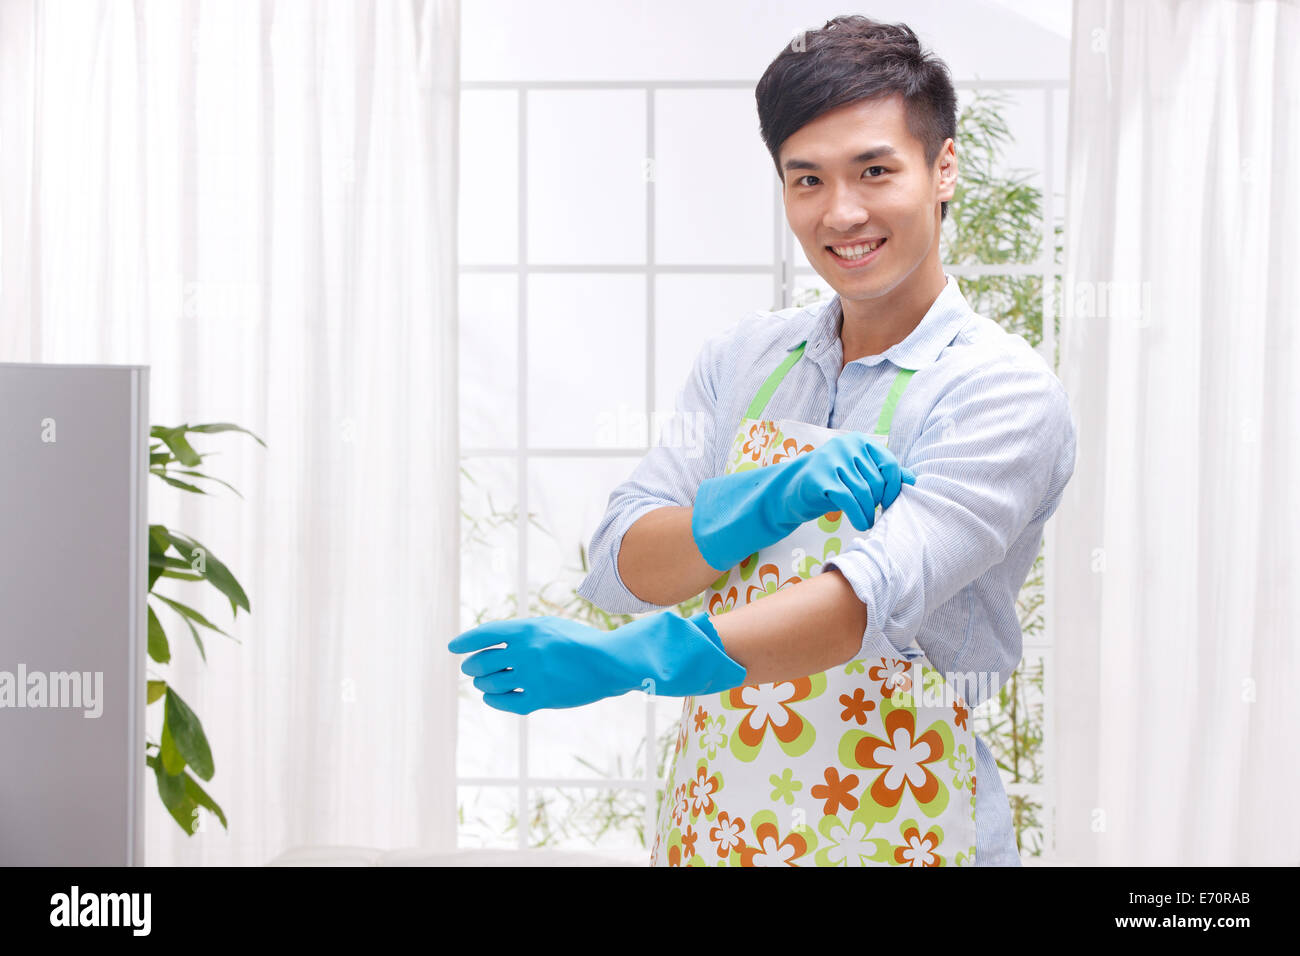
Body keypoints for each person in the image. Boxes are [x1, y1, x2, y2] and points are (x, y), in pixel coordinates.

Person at [449, 15, 1076, 867]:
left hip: (905, 832)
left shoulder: (1000, 392)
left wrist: (629, 660)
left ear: (944, 169)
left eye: (875, 171)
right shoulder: (744, 360)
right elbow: (622, 560)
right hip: (719, 834)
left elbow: (865, 601)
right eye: (806, 179)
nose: (841, 211)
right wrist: (751, 508)